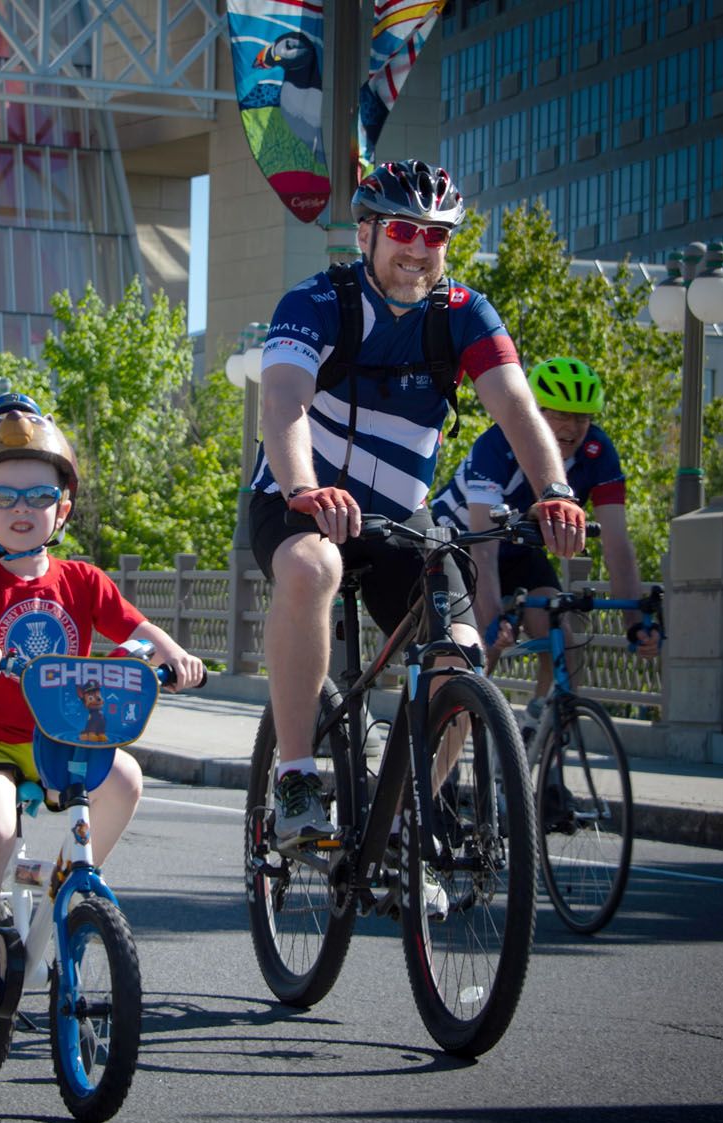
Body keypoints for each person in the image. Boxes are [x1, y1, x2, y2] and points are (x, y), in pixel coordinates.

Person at [248, 158, 588, 851]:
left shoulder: (464, 316)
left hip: (402, 520)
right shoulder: (316, 303)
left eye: (436, 236)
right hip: (299, 500)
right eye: (403, 229)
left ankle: (405, 819)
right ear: (367, 232)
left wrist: (555, 489)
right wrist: (303, 488)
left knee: (461, 661)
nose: (418, 248)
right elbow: (281, 401)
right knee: (313, 571)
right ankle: (295, 778)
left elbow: (518, 409)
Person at [0, 394, 205, 1030]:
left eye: (38, 495)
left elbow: (139, 629)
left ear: (64, 507)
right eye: (2, 497)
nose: (21, 509)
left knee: (128, 779)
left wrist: (178, 659)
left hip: (63, 737)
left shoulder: (84, 582)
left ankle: (65, 880)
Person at [431, 355, 661, 733]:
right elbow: (483, 552)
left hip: (519, 547)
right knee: (477, 648)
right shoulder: (497, 445)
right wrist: (491, 619)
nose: (572, 428)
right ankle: (448, 732)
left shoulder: (597, 453)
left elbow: (617, 544)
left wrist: (635, 624)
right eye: (560, 415)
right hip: (465, 544)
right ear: (534, 412)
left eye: (583, 417)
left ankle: (537, 730)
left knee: (562, 638)